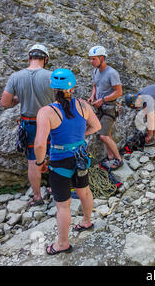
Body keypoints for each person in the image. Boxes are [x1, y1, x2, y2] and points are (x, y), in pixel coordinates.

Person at [34, 68, 101, 255]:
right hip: (81, 158)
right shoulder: (82, 105)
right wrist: (80, 136)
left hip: (60, 162)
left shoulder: (46, 112)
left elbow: (39, 144)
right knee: (84, 191)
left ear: (53, 89)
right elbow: (96, 126)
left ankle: (62, 244)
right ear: (72, 87)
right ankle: (86, 221)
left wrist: (40, 164)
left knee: (63, 205)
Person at [0, 44, 55, 207]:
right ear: (45, 59)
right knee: (54, 154)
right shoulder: (52, 76)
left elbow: (5, 102)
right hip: (51, 122)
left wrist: (20, 98)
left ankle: (37, 197)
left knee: (33, 160)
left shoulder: (16, 77)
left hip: (29, 123)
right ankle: (54, 188)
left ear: (30, 58)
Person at [87, 46, 123, 171]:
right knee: (106, 133)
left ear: (102, 58)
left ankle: (119, 159)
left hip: (110, 108)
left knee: (103, 135)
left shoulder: (112, 73)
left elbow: (118, 92)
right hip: (100, 107)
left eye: (93, 59)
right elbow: (95, 86)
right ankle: (110, 156)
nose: (91, 62)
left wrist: (102, 100)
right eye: (90, 59)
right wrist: (92, 96)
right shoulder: (96, 71)